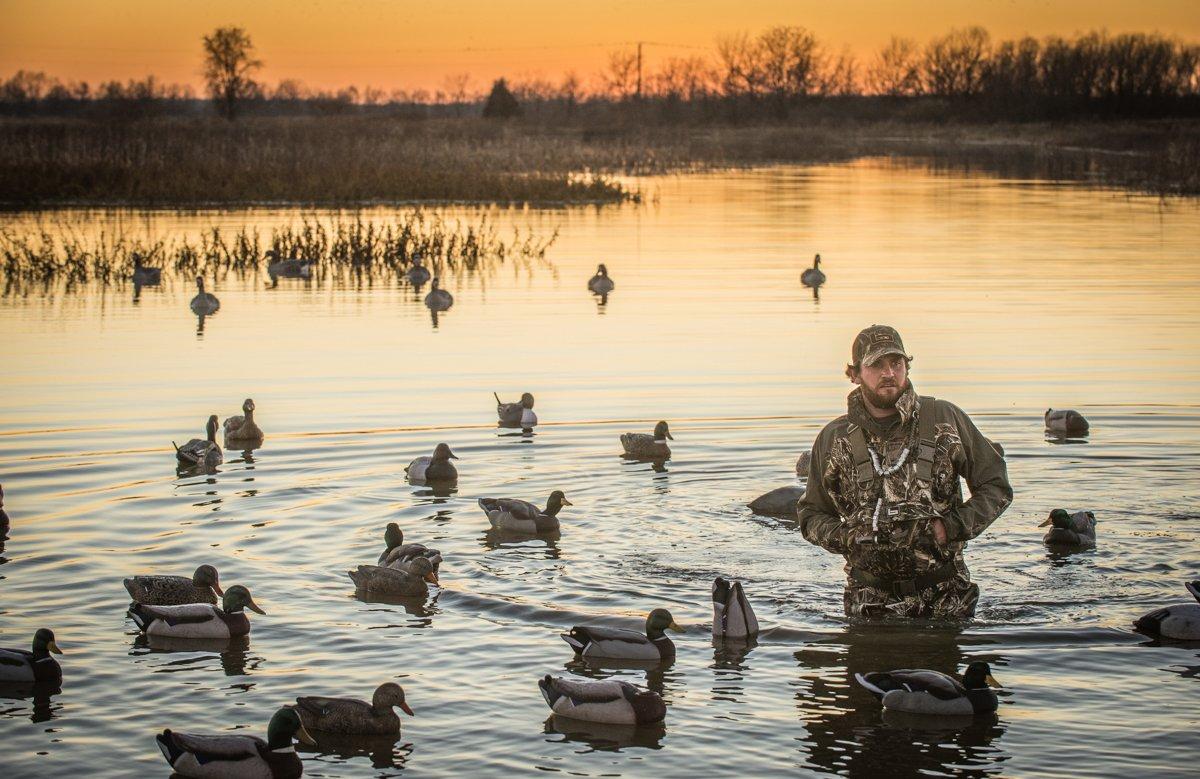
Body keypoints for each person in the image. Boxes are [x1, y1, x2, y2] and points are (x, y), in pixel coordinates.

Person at [797, 325, 1012, 619]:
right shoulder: (834, 439)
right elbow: (810, 515)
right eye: (877, 364)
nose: (889, 373)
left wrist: (951, 526)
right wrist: (846, 537)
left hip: (947, 602)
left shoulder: (944, 419)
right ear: (855, 374)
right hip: (868, 606)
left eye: (896, 363)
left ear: (906, 367)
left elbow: (996, 485)